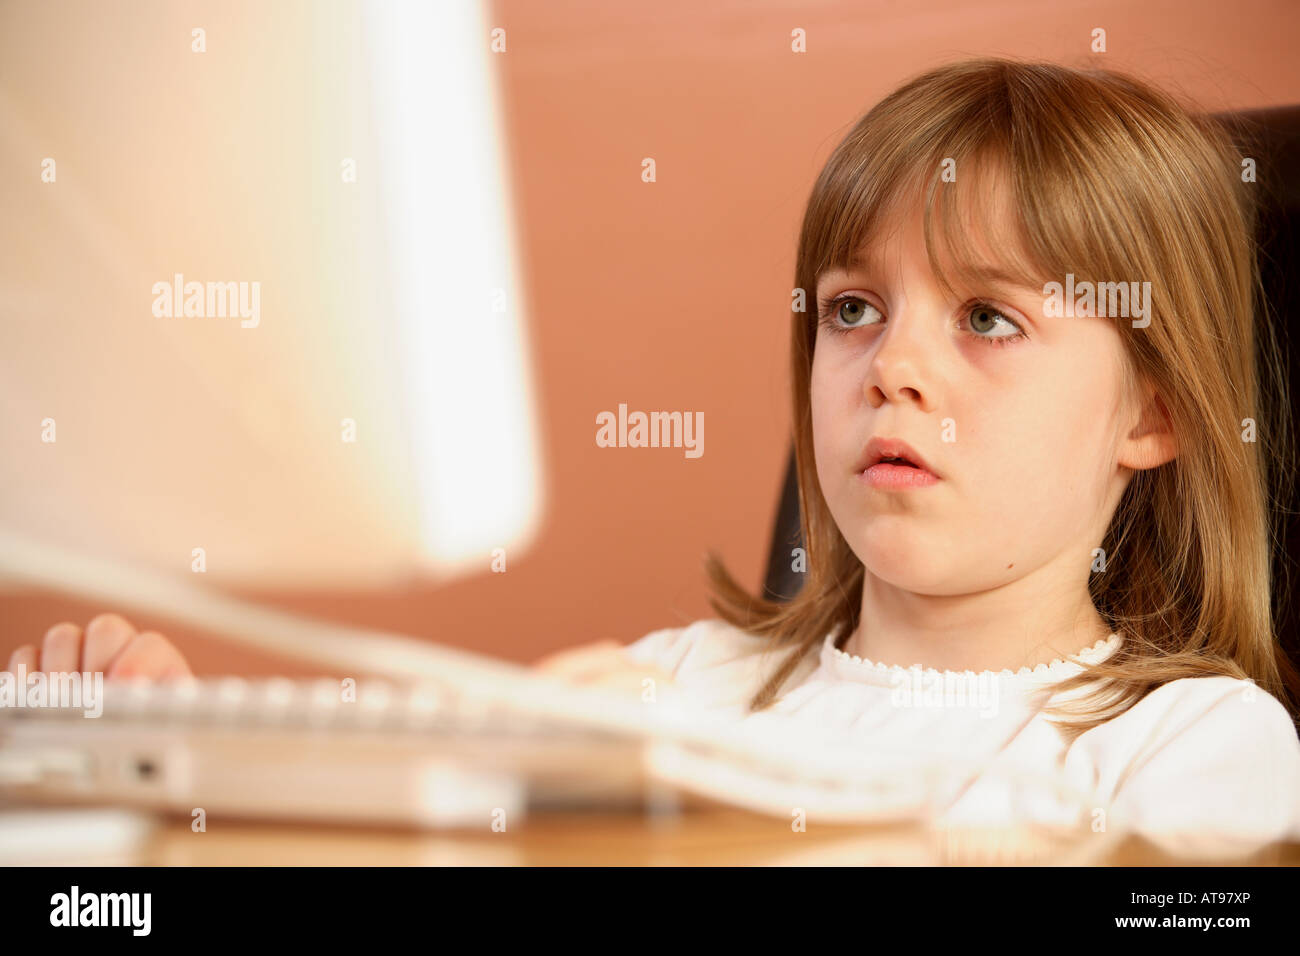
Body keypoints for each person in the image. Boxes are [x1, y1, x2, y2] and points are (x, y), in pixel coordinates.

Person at [8, 57, 1300, 850]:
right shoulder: (687, 686)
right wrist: (165, 761)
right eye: (853, 309)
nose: (891, 367)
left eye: (989, 319)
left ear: (1153, 416)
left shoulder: (1199, 745)